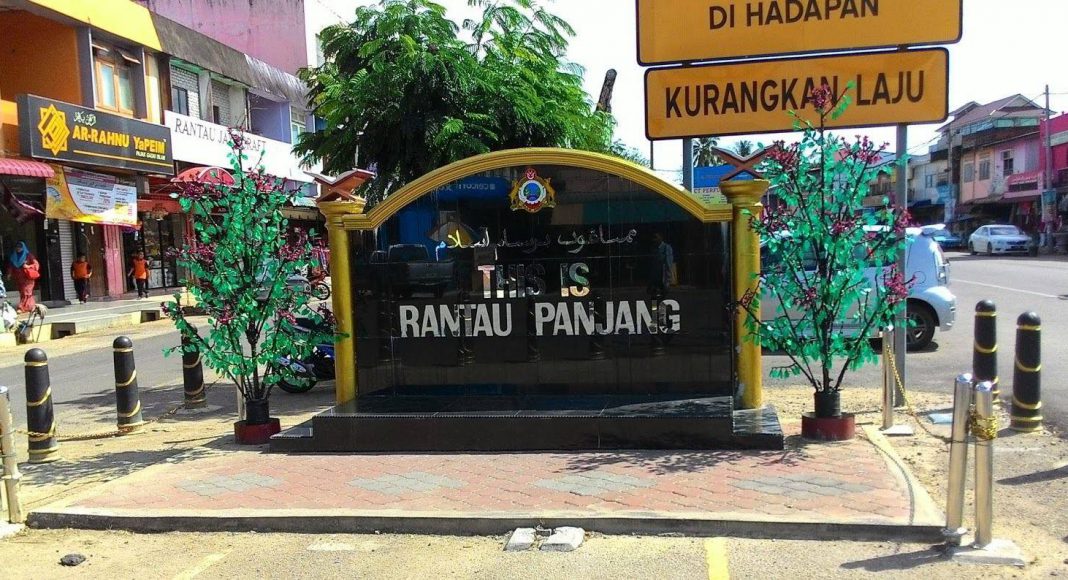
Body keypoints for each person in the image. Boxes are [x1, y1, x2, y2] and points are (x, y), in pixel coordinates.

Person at [7, 241, 40, 313]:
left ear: (23, 247)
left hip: (28, 277)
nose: (18, 249)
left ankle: (21, 307)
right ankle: (31, 306)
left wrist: (28, 266)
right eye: (17, 247)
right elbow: (11, 266)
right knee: (23, 292)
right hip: (19, 278)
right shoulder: (13, 256)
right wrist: (9, 274)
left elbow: (36, 264)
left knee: (26, 292)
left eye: (20, 247)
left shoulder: (28, 255)